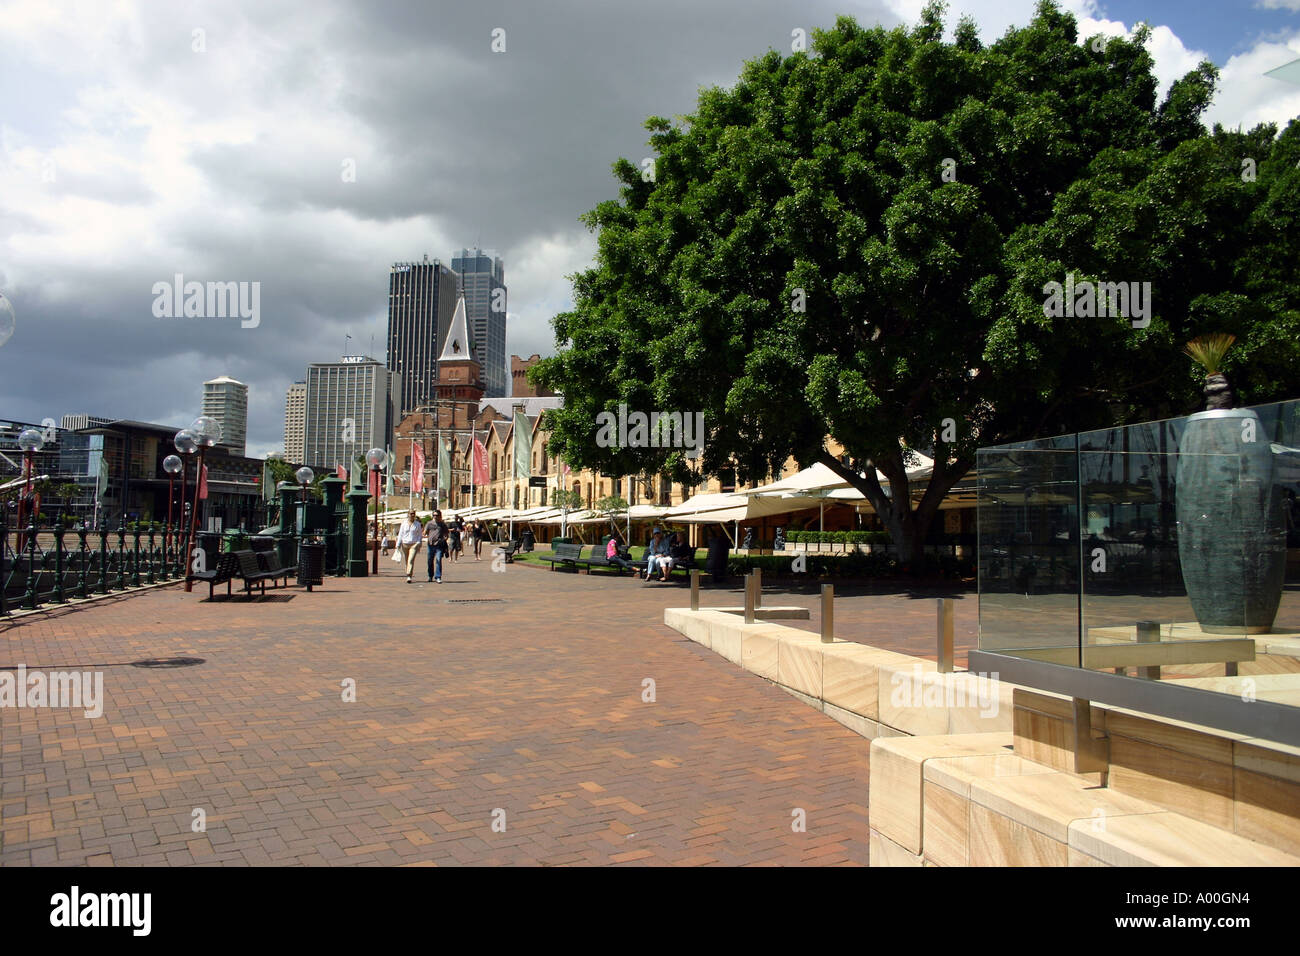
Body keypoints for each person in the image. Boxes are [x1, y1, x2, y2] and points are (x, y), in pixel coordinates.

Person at [396, 510, 423, 583]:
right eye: (411, 514)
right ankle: (408, 573)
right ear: (408, 514)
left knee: (411, 560)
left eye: (413, 514)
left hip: (414, 544)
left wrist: (418, 542)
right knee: (407, 560)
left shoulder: (417, 524)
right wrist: (398, 544)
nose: (412, 515)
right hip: (405, 543)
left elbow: (420, 535)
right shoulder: (404, 523)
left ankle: (409, 575)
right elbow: (400, 534)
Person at [425, 509, 450, 583]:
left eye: (437, 515)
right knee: (430, 561)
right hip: (430, 545)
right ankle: (430, 575)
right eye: (434, 515)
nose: (435, 517)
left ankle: (438, 576)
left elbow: (446, 533)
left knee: (438, 560)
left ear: (440, 516)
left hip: (439, 545)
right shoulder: (429, 523)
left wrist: (444, 539)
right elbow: (425, 532)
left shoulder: (442, 524)